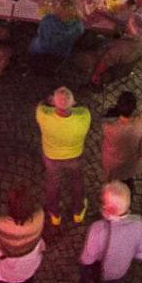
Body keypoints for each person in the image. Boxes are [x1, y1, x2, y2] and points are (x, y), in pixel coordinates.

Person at [79, 181, 142, 283]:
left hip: (99, 270)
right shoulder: (138, 223)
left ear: (107, 208)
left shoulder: (97, 228)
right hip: (119, 271)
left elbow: (87, 258)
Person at [35, 86, 93, 226]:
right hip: (74, 155)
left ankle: (55, 215)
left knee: (53, 184)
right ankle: (78, 212)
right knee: (77, 181)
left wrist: (49, 100)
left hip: (52, 157)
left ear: (53, 103)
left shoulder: (43, 114)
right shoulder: (84, 116)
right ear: (73, 103)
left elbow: (41, 105)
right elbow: (81, 108)